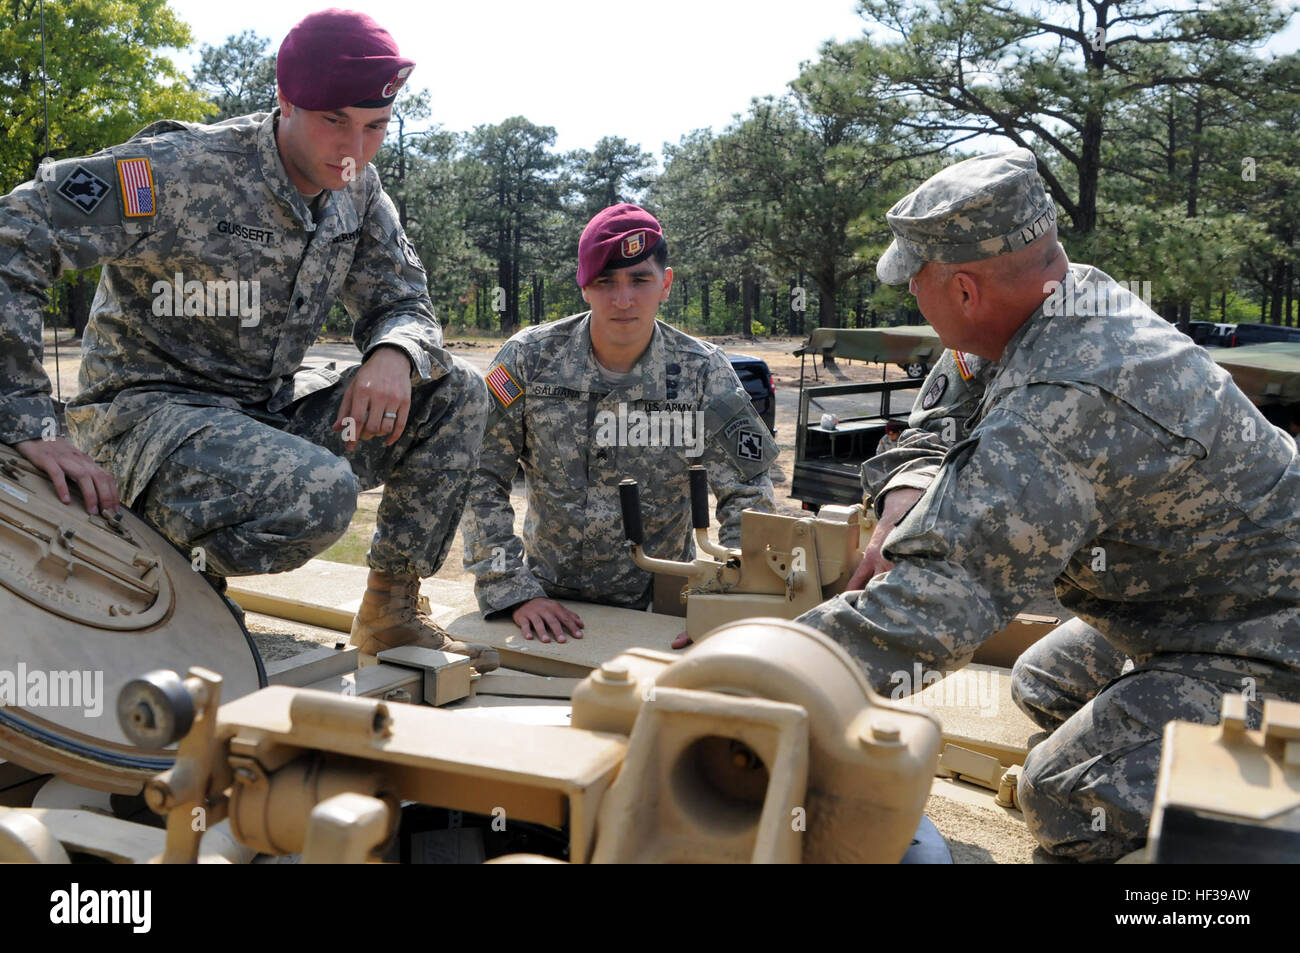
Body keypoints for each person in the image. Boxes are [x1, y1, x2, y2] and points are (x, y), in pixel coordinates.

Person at [796, 148, 1300, 861]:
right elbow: (952, 396)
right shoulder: (1057, 298)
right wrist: (909, 486)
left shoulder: (1066, 399)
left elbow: (934, 609)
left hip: (1268, 638)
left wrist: (765, 671)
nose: (909, 296)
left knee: (1064, 792)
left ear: (966, 291)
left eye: (917, 282)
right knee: (1042, 682)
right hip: (1197, 597)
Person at [0, 9, 498, 671]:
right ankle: (174, 584)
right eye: (334, 121)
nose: (356, 147)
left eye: (375, 127)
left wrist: (394, 351)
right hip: (143, 425)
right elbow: (18, 230)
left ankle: (391, 608)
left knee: (456, 392)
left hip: (258, 420)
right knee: (318, 492)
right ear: (285, 102)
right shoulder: (180, 168)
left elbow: (404, 298)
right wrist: (25, 418)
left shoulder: (356, 188)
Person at [461, 204, 778, 644]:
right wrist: (509, 587)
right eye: (606, 282)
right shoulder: (529, 359)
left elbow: (749, 495)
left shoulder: (702, 371)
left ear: (665, 284)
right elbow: (480, 475)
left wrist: (728, 603)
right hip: (546, 600)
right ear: (584, 286)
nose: (623, 299)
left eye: (640, 280)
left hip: (663, 605)